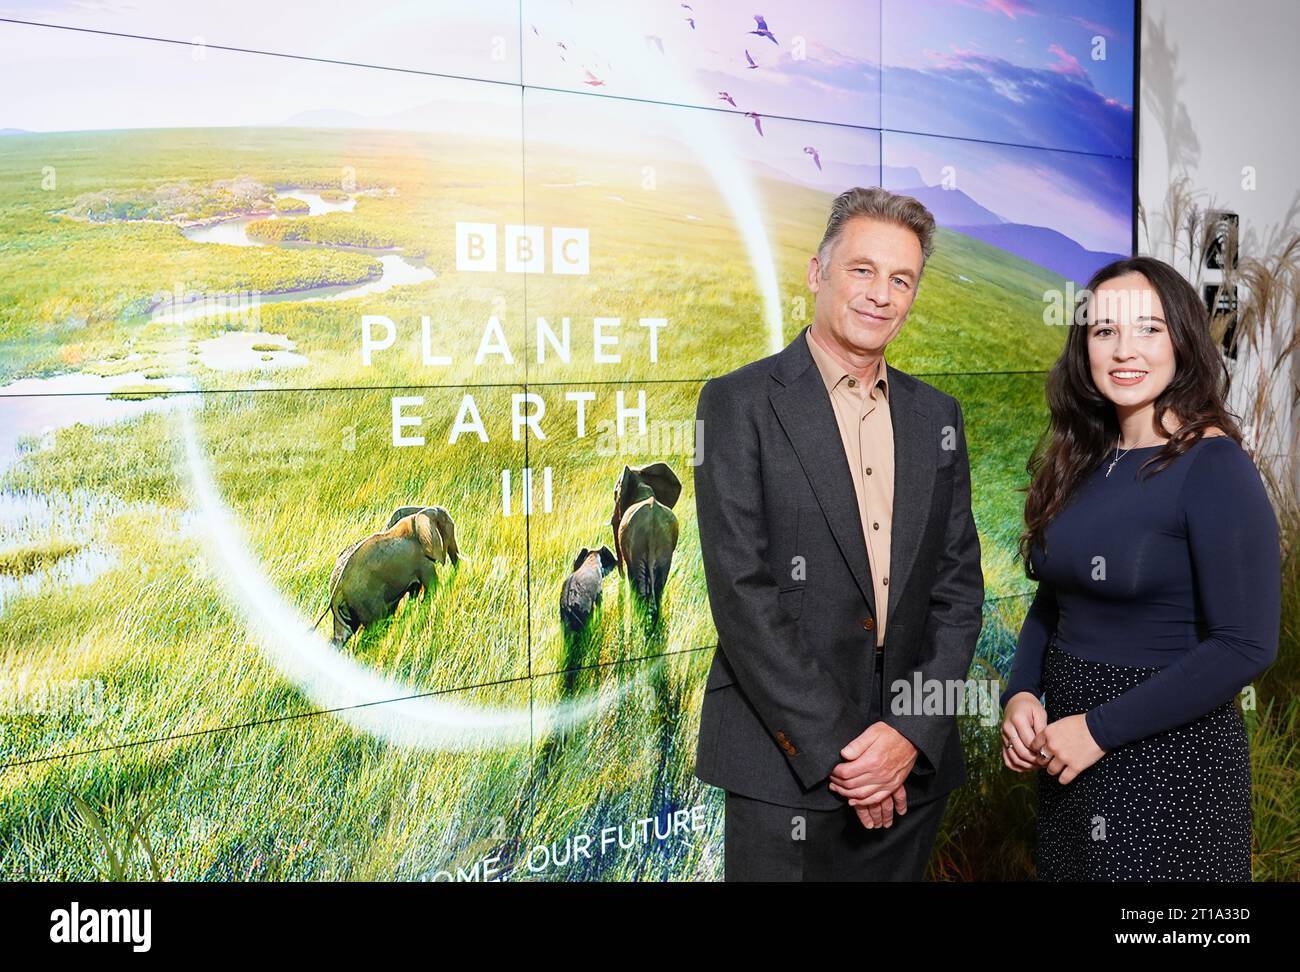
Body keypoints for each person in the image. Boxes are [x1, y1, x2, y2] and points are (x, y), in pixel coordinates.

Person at [693, 186, 984, 880]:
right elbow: (742, 594)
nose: (881, 294)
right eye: (862, 270)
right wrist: (853, 755)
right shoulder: (736, 403)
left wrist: (908, 737)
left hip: (911, 771)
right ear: (817, 273)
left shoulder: (936, 415)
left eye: (901, 279)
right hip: (783, 763)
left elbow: (959, 591)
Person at [1000, 255, 1281, 881]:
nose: (1125, 350)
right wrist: (1021, 691)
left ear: (1181, 340)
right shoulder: (1081, 458)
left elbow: (1246, 645)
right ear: (1085, 347)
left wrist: (1098, 730)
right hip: (1069, 756)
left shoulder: (1215, 468)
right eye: (1104, 331)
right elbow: (1057, 598)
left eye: (1148, 329)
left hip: (1169, 763)